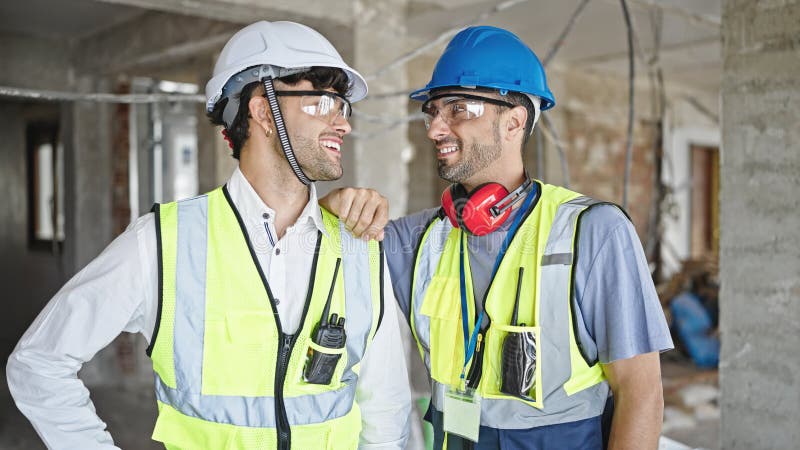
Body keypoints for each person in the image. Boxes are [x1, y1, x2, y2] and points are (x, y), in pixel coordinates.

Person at [6, 21, 410, 450]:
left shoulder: (358, 244)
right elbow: (38, 363)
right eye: (321, 103)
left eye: (342, 107)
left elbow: (386, 410)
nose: (341, 123)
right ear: (262, 110)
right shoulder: (163, 242)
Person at [322, 26, 673, 449]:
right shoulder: (416, 240)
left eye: (458, 109)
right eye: (433, 111)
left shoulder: (592, 232)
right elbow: (322, 256)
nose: (435, 128)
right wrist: (332, 206)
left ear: (514, 122)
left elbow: (641, 392)